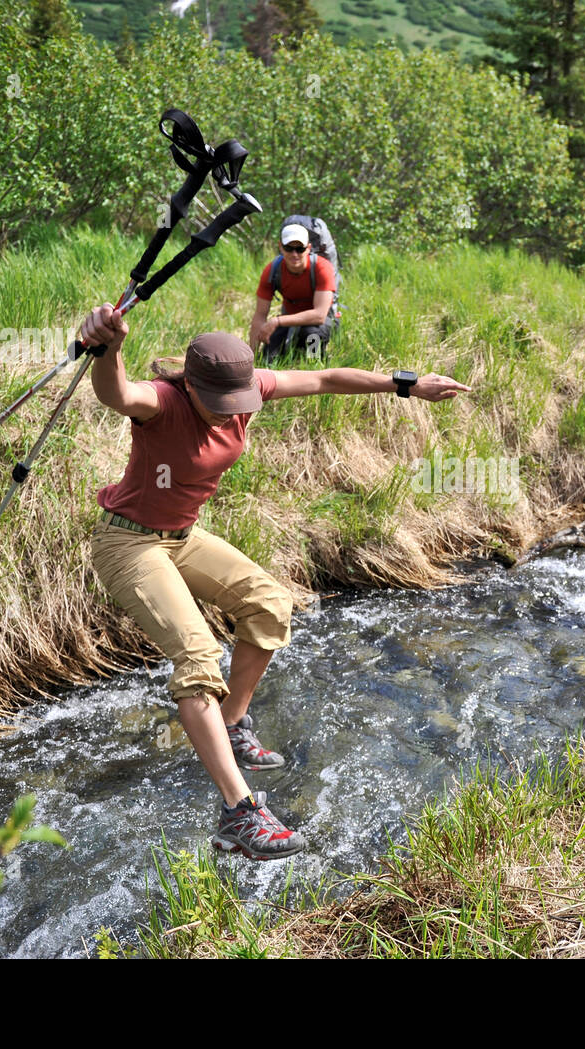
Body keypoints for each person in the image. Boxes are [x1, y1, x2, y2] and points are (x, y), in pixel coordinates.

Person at [81, 303, 471, 859]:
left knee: (269, 605)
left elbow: (325, 377)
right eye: (214, 404)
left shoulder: (250, 389)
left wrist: (406, 384)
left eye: (232, 404)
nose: (224, 415)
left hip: (181, 536)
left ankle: (232, 723)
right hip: (129, 542)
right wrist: (109, 347)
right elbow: (117, 394)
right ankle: (238, 814)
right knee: (197, 657)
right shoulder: (162, 402)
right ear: (189, 385)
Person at [251, 222, 337, 363]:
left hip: (318, 324)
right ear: (280, 247)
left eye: (300, 249)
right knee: (268, 359)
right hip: (288, 321)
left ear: (308, 248)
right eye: (289, 248)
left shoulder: (322, 268)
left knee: (312, 335)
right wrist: (251, 358)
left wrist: (277, 321)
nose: (294, 254)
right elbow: (259, 316)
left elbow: (319, 316)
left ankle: (315, 367)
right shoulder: (272, 271)